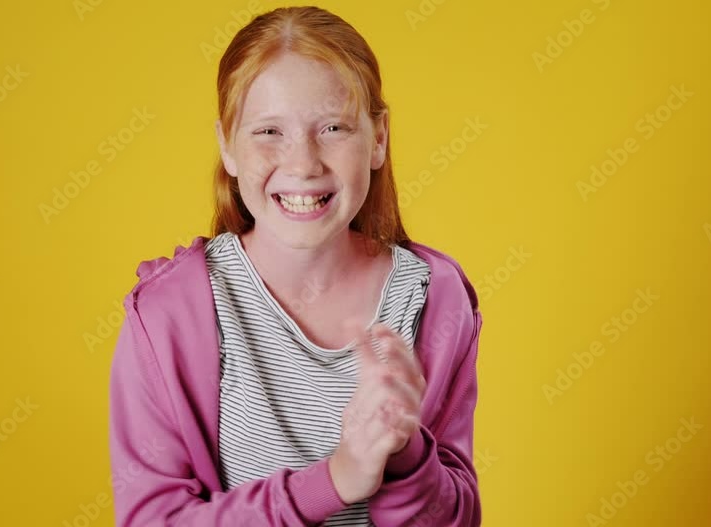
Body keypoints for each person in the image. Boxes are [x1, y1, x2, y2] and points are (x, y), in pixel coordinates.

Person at [108, 6, 483, 526]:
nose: (304, 163)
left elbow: (455, 518)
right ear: (227, 146)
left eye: (333, 127)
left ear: (378, 138)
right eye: (269, 131)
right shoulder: (168, 312)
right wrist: (334, 480)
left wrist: (405, 454)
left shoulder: (432, 297)